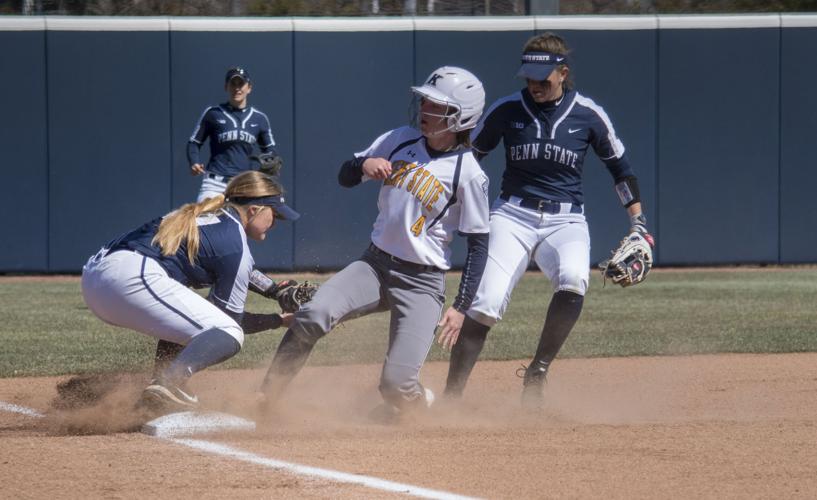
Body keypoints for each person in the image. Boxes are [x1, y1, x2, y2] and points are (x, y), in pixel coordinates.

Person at [259, 66, 491, 419]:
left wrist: (461, 307)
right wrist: (364, 164)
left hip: (422, 283)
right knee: (312, 315)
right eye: (425, 102)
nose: (425, 110)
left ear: (461, 117)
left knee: (396, 386)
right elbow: (346, 175)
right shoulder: (401, 138)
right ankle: (266, 398)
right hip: (374, 265)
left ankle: (423, 407)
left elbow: (478, 245)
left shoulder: (469, 173)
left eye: (436, 106)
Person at [439, 33, 655, 408]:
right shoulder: (507, 110)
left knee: (574, 279)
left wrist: (639, 224)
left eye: (543, 78)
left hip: (566, 220)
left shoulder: (588, 114)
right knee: (486, 302)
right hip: (512, 215)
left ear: (563, 73)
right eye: (529, 77)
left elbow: (620, 171)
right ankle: (451, 398)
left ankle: (537, 372)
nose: (534, 85)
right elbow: (466, 160)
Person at [81, 171, 300, 412]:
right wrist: (278, 320)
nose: (275, 222)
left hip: (97, 278)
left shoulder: (207, 217)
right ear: (254, 209)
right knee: (229, 331)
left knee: (191, 321)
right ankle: (169, 384)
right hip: (130, 278)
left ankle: (155, 393)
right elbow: (229, 322)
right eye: (274, 214)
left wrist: (274, 290)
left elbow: (233, 264)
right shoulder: (234, 244)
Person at [188, 67, 281, 202]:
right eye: (233, 84)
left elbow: (270, 149)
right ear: (226, 87)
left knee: (258, 215)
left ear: (249, 88)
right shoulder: (213, 113)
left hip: (244, 185)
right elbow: (194, 143)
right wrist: (194, 162)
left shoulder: (259, 118)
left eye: (241, 84)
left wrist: (271, 161)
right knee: (204, 215)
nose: (237, 88)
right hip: (214, 184)